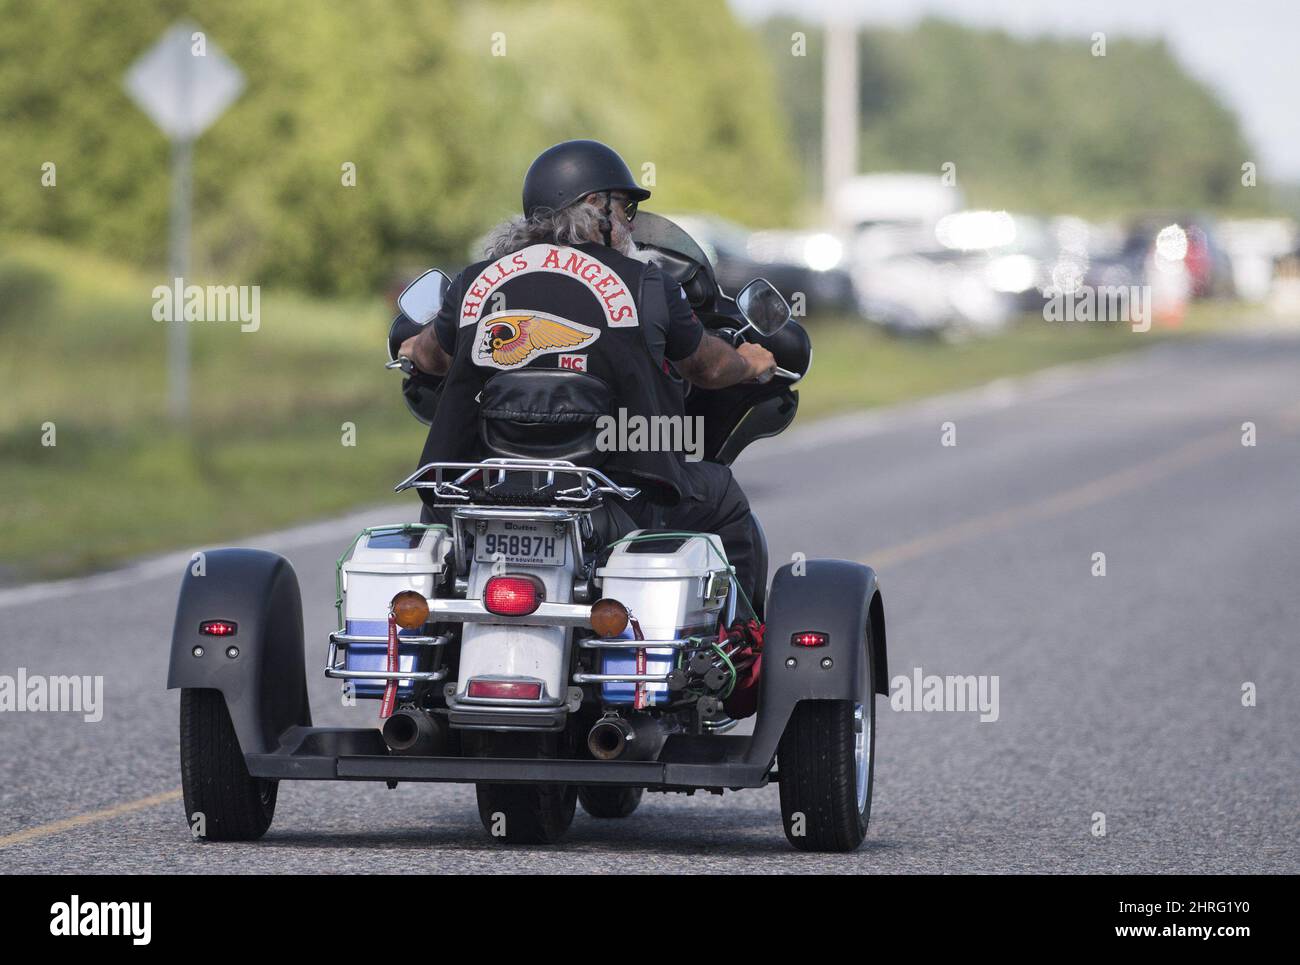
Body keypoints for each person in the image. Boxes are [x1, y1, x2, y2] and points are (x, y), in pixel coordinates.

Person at [399, 139, 775, 599]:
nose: (629, 223)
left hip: (483, 497)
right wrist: (752, 361)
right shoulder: (646, 284)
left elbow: (432, 356)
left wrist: (408, 344)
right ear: (595, 206)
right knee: (723, 496)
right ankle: (743, 645)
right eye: (626, 208)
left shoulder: (477, 281)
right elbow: (710, 369)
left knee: (434, 545)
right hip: (619, 500)